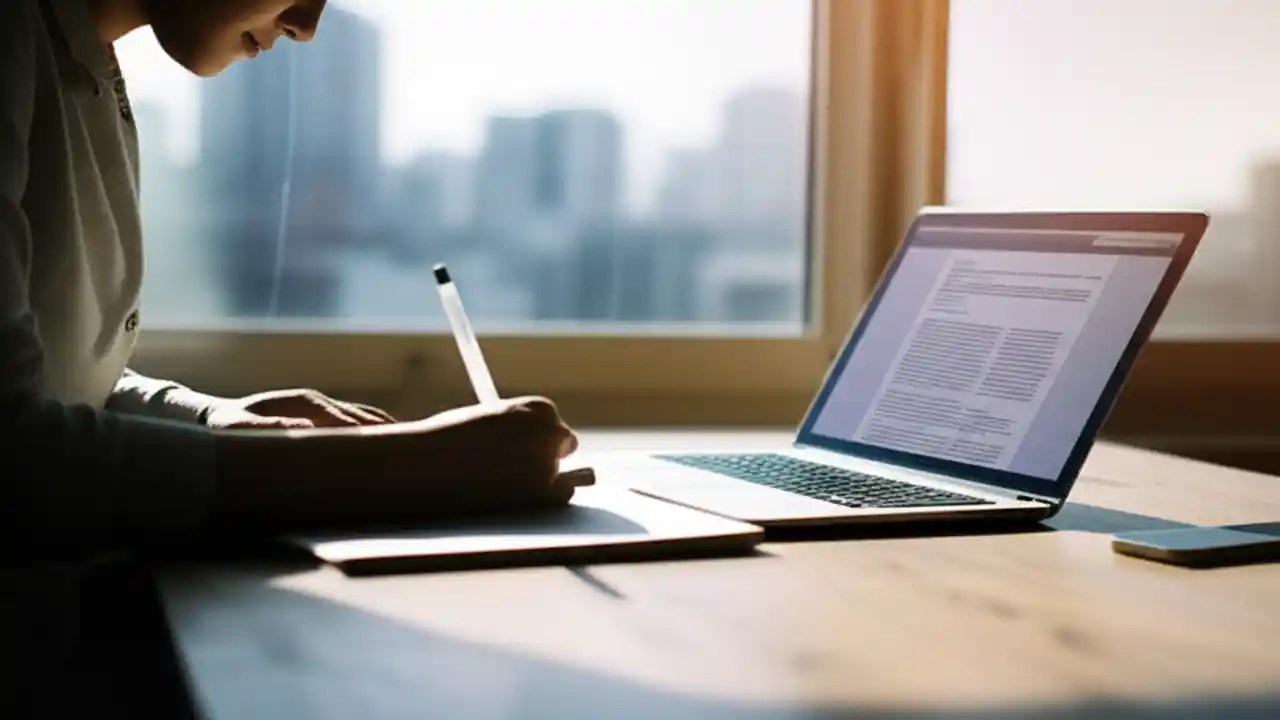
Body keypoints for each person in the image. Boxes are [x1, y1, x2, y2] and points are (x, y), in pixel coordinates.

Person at [0, 0, 580, 553]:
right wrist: (422, 465)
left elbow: (61, 382)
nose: (308, 24)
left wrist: (213, 418)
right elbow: (20, 460)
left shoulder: (85, 65)